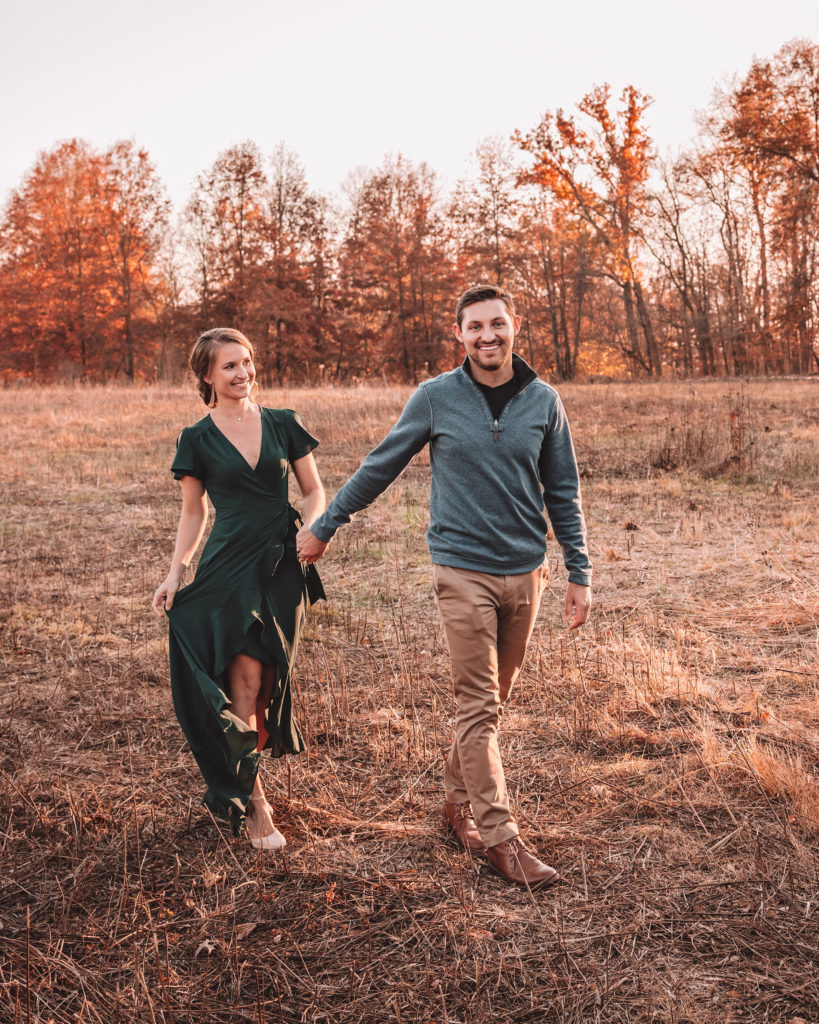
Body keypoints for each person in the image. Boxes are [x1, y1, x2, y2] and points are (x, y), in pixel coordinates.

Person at [296, 285, 591, 888]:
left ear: (515, 327)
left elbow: (563, 491)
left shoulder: (544, 402)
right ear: (459, 335)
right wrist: (326, 526)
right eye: (475, 327)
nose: (488, 336)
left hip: (525, 571)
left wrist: (579, 572)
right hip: (460, 570)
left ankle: (456, 806)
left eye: (497, 324)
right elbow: (382, 464)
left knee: (493, 702)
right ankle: (502, 838)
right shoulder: (435, 398)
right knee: (478, 706)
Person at [152, 328, 325, 850]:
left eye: (246, 362)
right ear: (208, 375)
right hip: (228, 566)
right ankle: (256, 805)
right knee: (244, 682)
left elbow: (314, 490)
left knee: (272, 681)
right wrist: (176, 570)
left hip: (283, 561)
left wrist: (312, 529)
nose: (242, 372)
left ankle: (245, 775)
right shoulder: (196, 439)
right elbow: (194, 512)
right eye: (229, 366)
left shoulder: (283, 422)